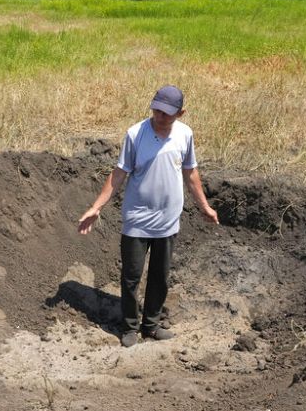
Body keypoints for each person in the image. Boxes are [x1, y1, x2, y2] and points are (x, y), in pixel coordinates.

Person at [78, 85, 219, 347]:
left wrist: (204, 206)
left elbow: (191, 172)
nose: (159, 116)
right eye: (156, 109)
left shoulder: (185, 135)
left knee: (160, 276)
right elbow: (119, 173)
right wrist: (96, 207)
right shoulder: (135, 134)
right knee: (131, 275)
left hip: (168, 220)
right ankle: (130, 326)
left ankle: (151, 325)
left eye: (166, 113)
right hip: (137, 219)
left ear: (180, 113)